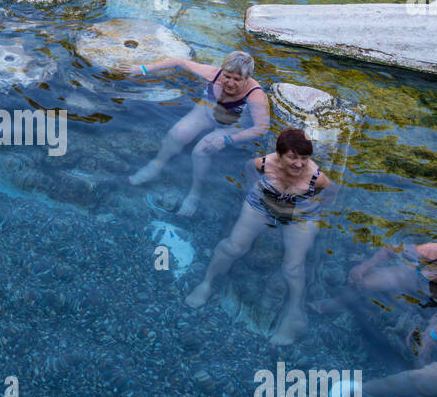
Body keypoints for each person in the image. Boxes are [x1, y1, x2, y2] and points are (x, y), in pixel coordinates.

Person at [185, 128, 331, 345]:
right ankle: (207, 283)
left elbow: (330, 192)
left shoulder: (316, 177)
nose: (299, 164)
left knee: (292, 268)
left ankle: (294, 315)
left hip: (300, 213)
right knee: (232, 247)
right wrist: (254, 189)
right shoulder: (266, 163)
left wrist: (310, 211)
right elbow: (248, 168)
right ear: (279, 155)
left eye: (304, 158)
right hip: (263, 204)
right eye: (292, 157)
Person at [327, 219, 437, 364]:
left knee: (428, 339)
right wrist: (365, 266)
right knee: (363, 283)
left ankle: (419, 374)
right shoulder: (431, 251)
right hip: (418, 281)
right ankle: (334, 304)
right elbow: (390, 250)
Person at [126, 50, 269, 217]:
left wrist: (228, 139)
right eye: (227, 76)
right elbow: (179, 61)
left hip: (232, 125)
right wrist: (143, 69)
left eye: (237, 79)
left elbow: (261, 128)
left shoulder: (256, 96)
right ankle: (156, 165)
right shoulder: (213, 74)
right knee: (177, 133)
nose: (230, 83)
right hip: (206, 113)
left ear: (247, 78)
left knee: (201, 151)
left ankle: (195, 192)